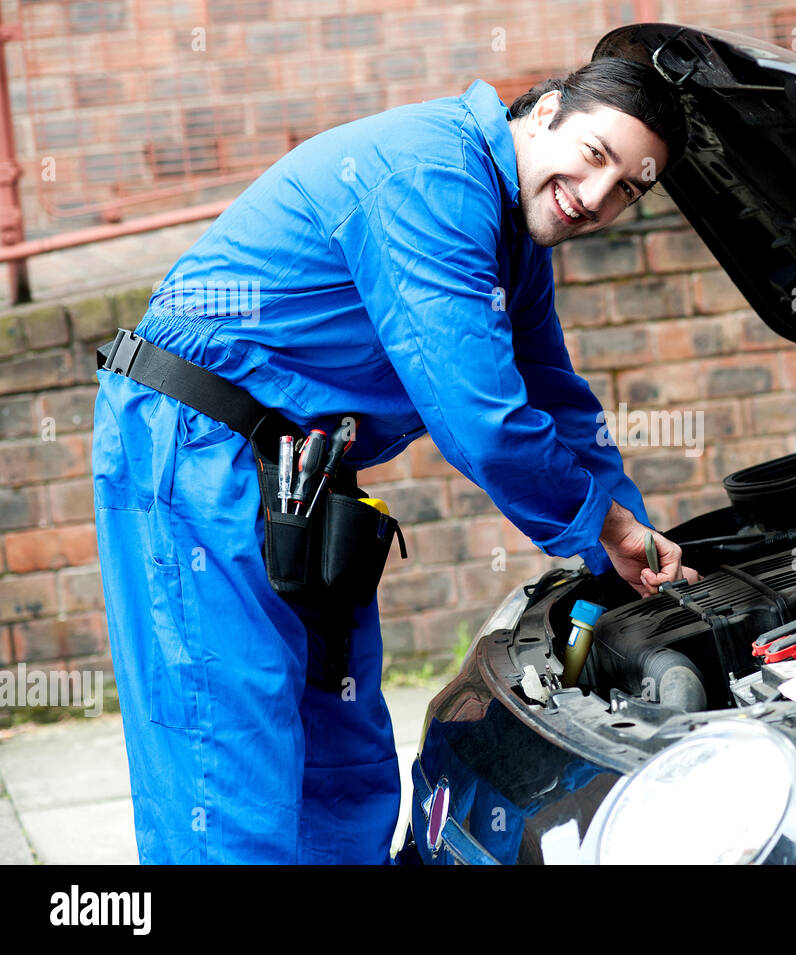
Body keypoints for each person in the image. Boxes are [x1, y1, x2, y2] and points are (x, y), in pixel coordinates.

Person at [91, 56, 698, 864]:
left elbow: (553, 394)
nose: (596, 196)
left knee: (342, 758)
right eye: (595, 154)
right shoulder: (432, 175)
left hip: (299, 479)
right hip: (197, 447)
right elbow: (482, 417)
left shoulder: (510, 234)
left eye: (628, 186)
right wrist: (600, 519)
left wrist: (625, 537)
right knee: (226, 757)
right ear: (547, 110)